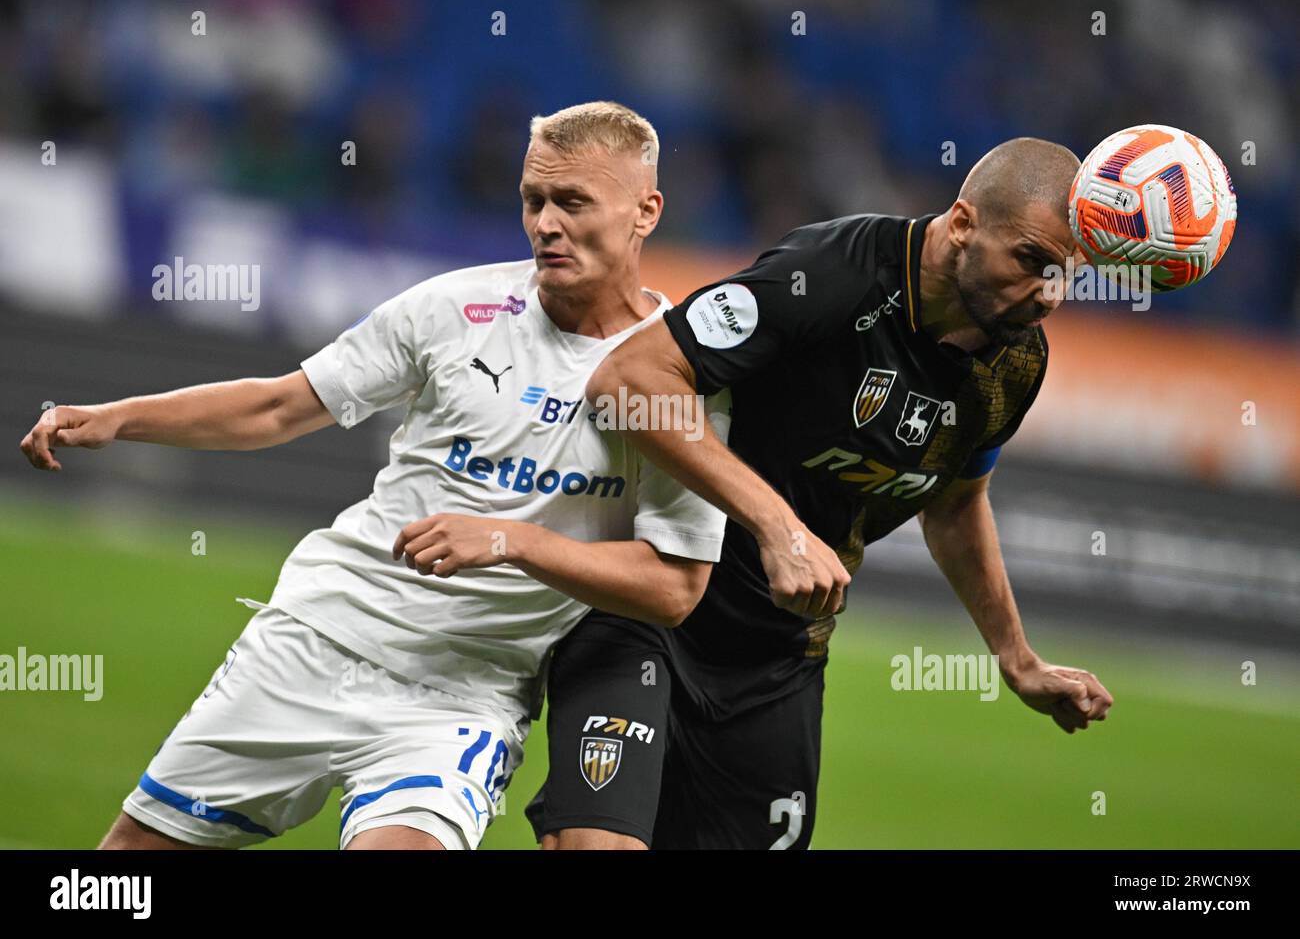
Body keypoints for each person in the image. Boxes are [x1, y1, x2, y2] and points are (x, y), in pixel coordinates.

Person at [20, 101, 728, 851]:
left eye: (573, 202)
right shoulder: (456, 306)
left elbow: (674, 586)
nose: (546, 223)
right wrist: (121, 416)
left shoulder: (682, 381)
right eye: (533, 200)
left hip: (461, 693)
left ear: (645, 211)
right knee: (123, 868)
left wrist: (510, 541)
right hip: (318, 637)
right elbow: (278, 407)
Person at [526, 137, 1115, 850]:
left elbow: (956, 505)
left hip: (778, 660)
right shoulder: (834, 273)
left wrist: (1016, 658)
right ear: (962, 224)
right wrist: (780, 527)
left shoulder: (1015, 364)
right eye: (1030, 261)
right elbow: (629, 382)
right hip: (650, 608)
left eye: (1064, 276)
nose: (1045, 295)